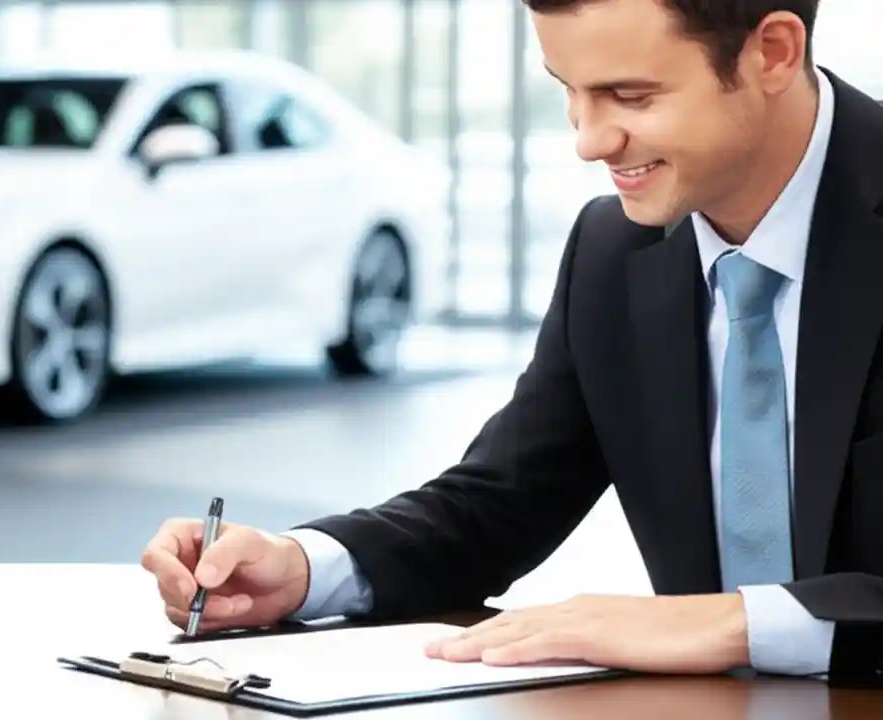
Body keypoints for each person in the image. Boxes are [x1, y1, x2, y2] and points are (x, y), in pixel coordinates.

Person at [141, 0, 883, 681]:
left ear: (773, 53)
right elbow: (500, 503)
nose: (590, 141)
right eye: (569, 90)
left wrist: (733, 625)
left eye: (631, 96)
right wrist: (303, 569)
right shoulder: (614, 249)